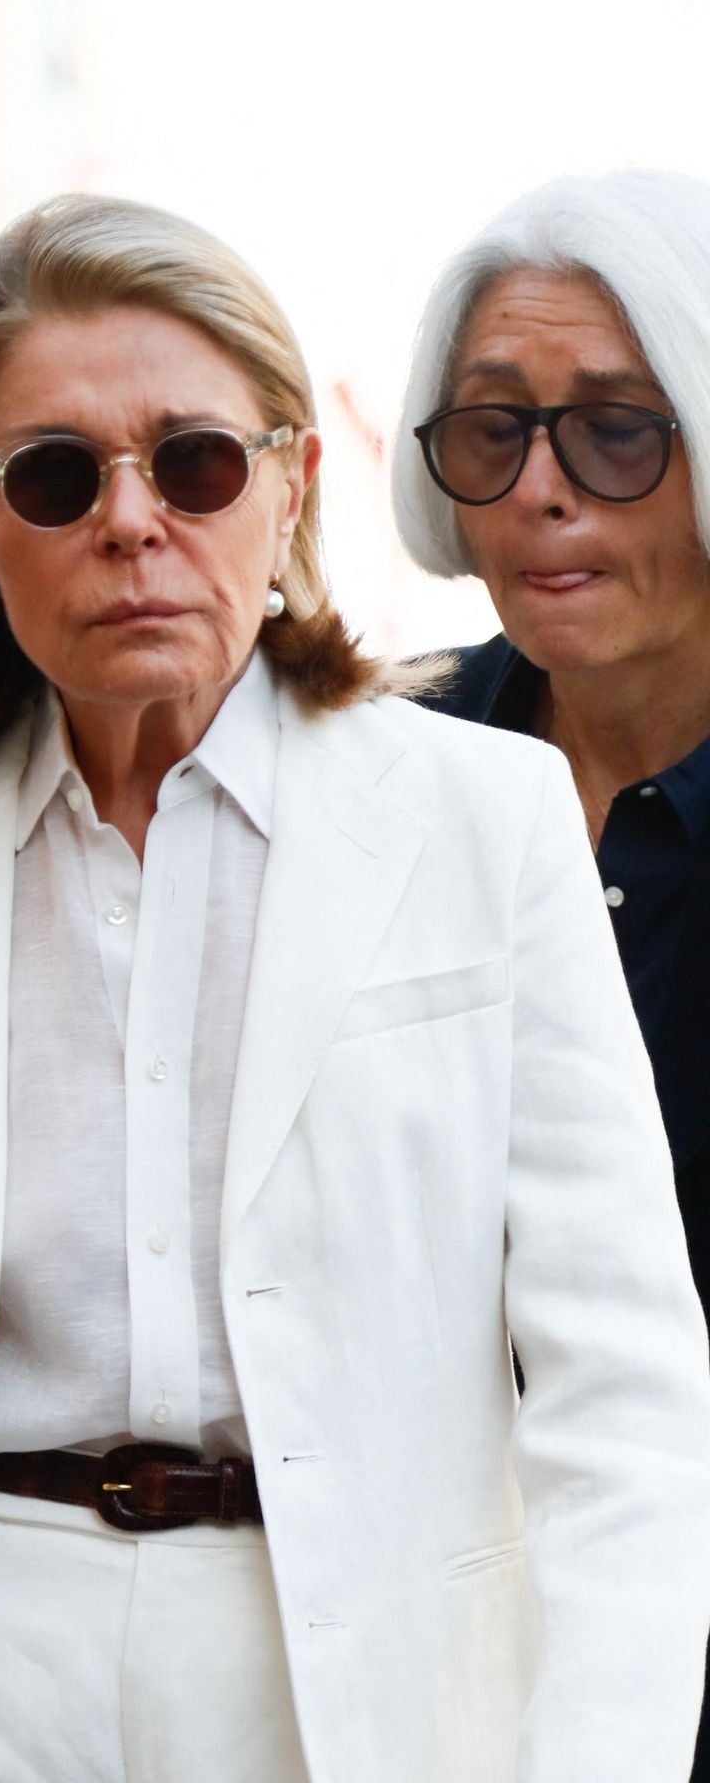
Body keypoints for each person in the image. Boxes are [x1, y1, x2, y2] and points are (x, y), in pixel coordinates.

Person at [0, 194, 710, 1783]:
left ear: (290, 483)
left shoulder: (483, 822)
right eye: (56, 474)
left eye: (198, 462)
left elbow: (619, 1392)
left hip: (348, 1695)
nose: (132, 522)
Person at [392, 167, 710, 1779]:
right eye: (491, 430)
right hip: (425, 1636)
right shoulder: (374, 776)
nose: (540, 491)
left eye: (616, 431)